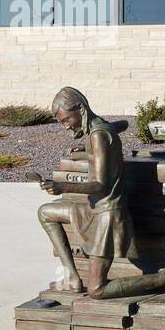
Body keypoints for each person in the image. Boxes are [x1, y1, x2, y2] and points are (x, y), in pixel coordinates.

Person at [35, 87, 135, 294]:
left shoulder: (98, 134)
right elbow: (121, 124)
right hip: (93, 208)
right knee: (45, 213)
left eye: (66, 120)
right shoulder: (98, 130)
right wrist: (89, 151)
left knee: (97, 290)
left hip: (106, 215)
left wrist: (62, 186)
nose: (65, 126)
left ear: (80, 109)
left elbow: (101, 185)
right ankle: (72, 277)